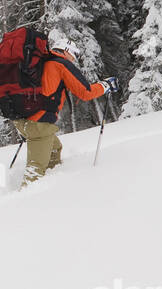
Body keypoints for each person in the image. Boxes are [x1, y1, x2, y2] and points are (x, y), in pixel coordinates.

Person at [15, 34, 117, 186]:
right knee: (35, 170)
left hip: (22, 120)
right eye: (75, 54)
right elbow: (85, 92)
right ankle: (21, 203)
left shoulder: (41, 63)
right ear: (66, 50)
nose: (75, 58)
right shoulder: (60, 64)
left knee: (55, 149)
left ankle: (51, 186)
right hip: (40, 123)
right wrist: (105, 86)